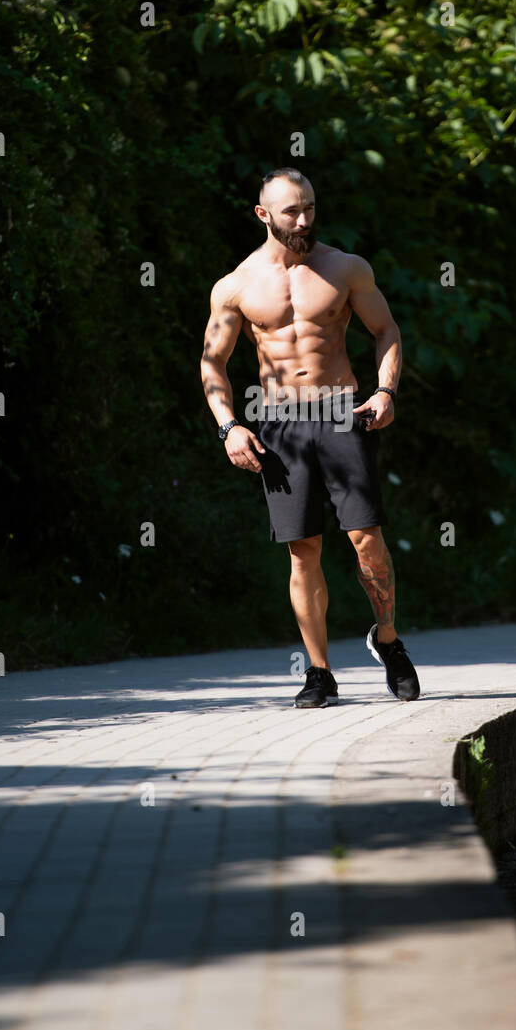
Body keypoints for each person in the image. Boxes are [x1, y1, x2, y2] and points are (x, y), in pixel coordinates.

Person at [200, 167, 420, 708]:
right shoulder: (236, 286)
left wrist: (386, 391)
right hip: (280, 425)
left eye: (310, 209)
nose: (303, 220)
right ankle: (319, 672)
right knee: (303, 552)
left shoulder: (345, 268)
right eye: (291, 212)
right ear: (263, 215)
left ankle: (387, 640)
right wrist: (229, 427)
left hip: (344, 414)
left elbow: (386, 330)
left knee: (366, 539)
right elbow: (213, 362)